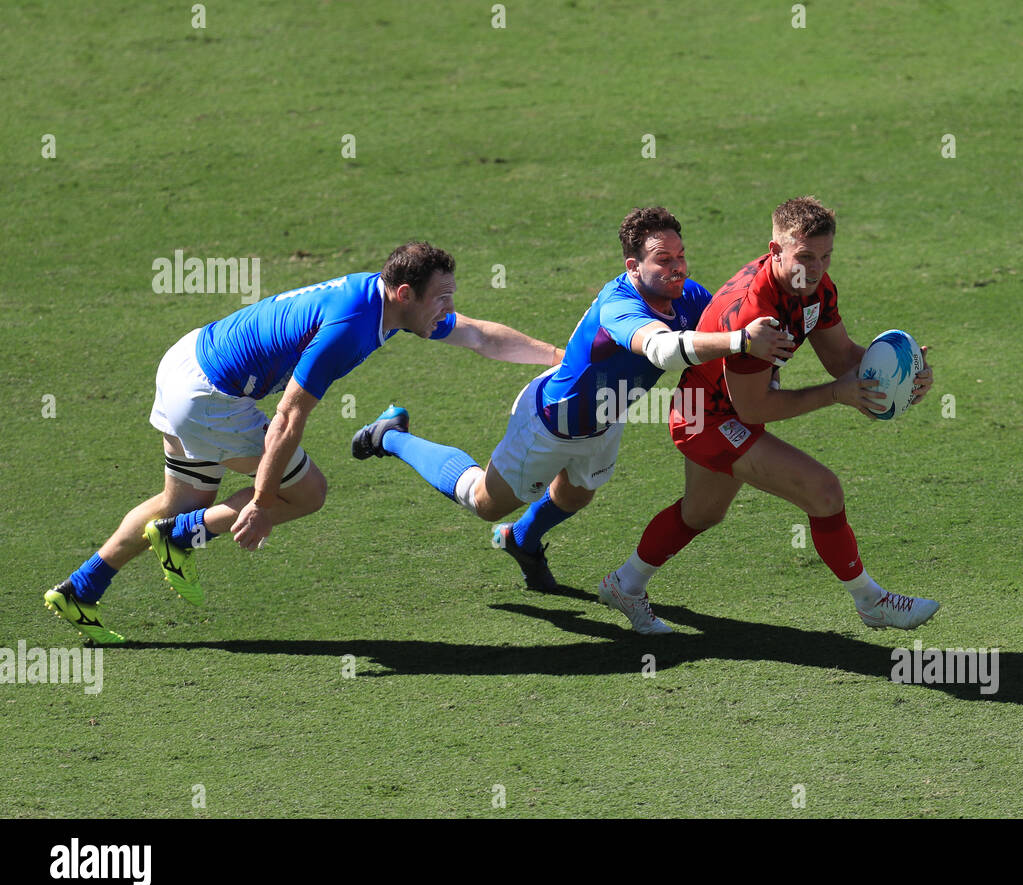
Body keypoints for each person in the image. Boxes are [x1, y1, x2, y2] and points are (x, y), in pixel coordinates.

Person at [43, 241, 562, 645]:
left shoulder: (381, 300)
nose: (448, 307)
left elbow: (480, 336)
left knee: (182, 496)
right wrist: (264, 504)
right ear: (406, 294)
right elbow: (289, 417)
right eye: (442, 298)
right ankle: (182, 535)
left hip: (186, 359)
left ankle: (81, 589)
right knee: (308, 492)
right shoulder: (351, 328)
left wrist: (559, 356)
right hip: (209, 396)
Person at [350, 208, 793, 617]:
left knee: (577, 493)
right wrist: (742, 342)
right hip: (549, 425)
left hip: (606, 418)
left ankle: (521, 539)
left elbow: (725, 324)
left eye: (680, 255)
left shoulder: (690, 296)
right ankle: (391, 434)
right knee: (484, 502)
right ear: (633, 267)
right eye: (662, 259)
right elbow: (662, 350)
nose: (677, 266)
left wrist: (763, 359)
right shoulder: (620, 306)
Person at [598, 197, 940, 634]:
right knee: (824, 491)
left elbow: (841, 357)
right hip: (709, 418)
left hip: (724, 407)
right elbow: (755, 407)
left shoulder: (814, 287)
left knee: (701, 513)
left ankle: (624, 584)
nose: (814, 269)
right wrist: (838, 394)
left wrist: (901, 378)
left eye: (825, 257)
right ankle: (872, 601)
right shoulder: (756, 314)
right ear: (775, 251)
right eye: (804, 257)